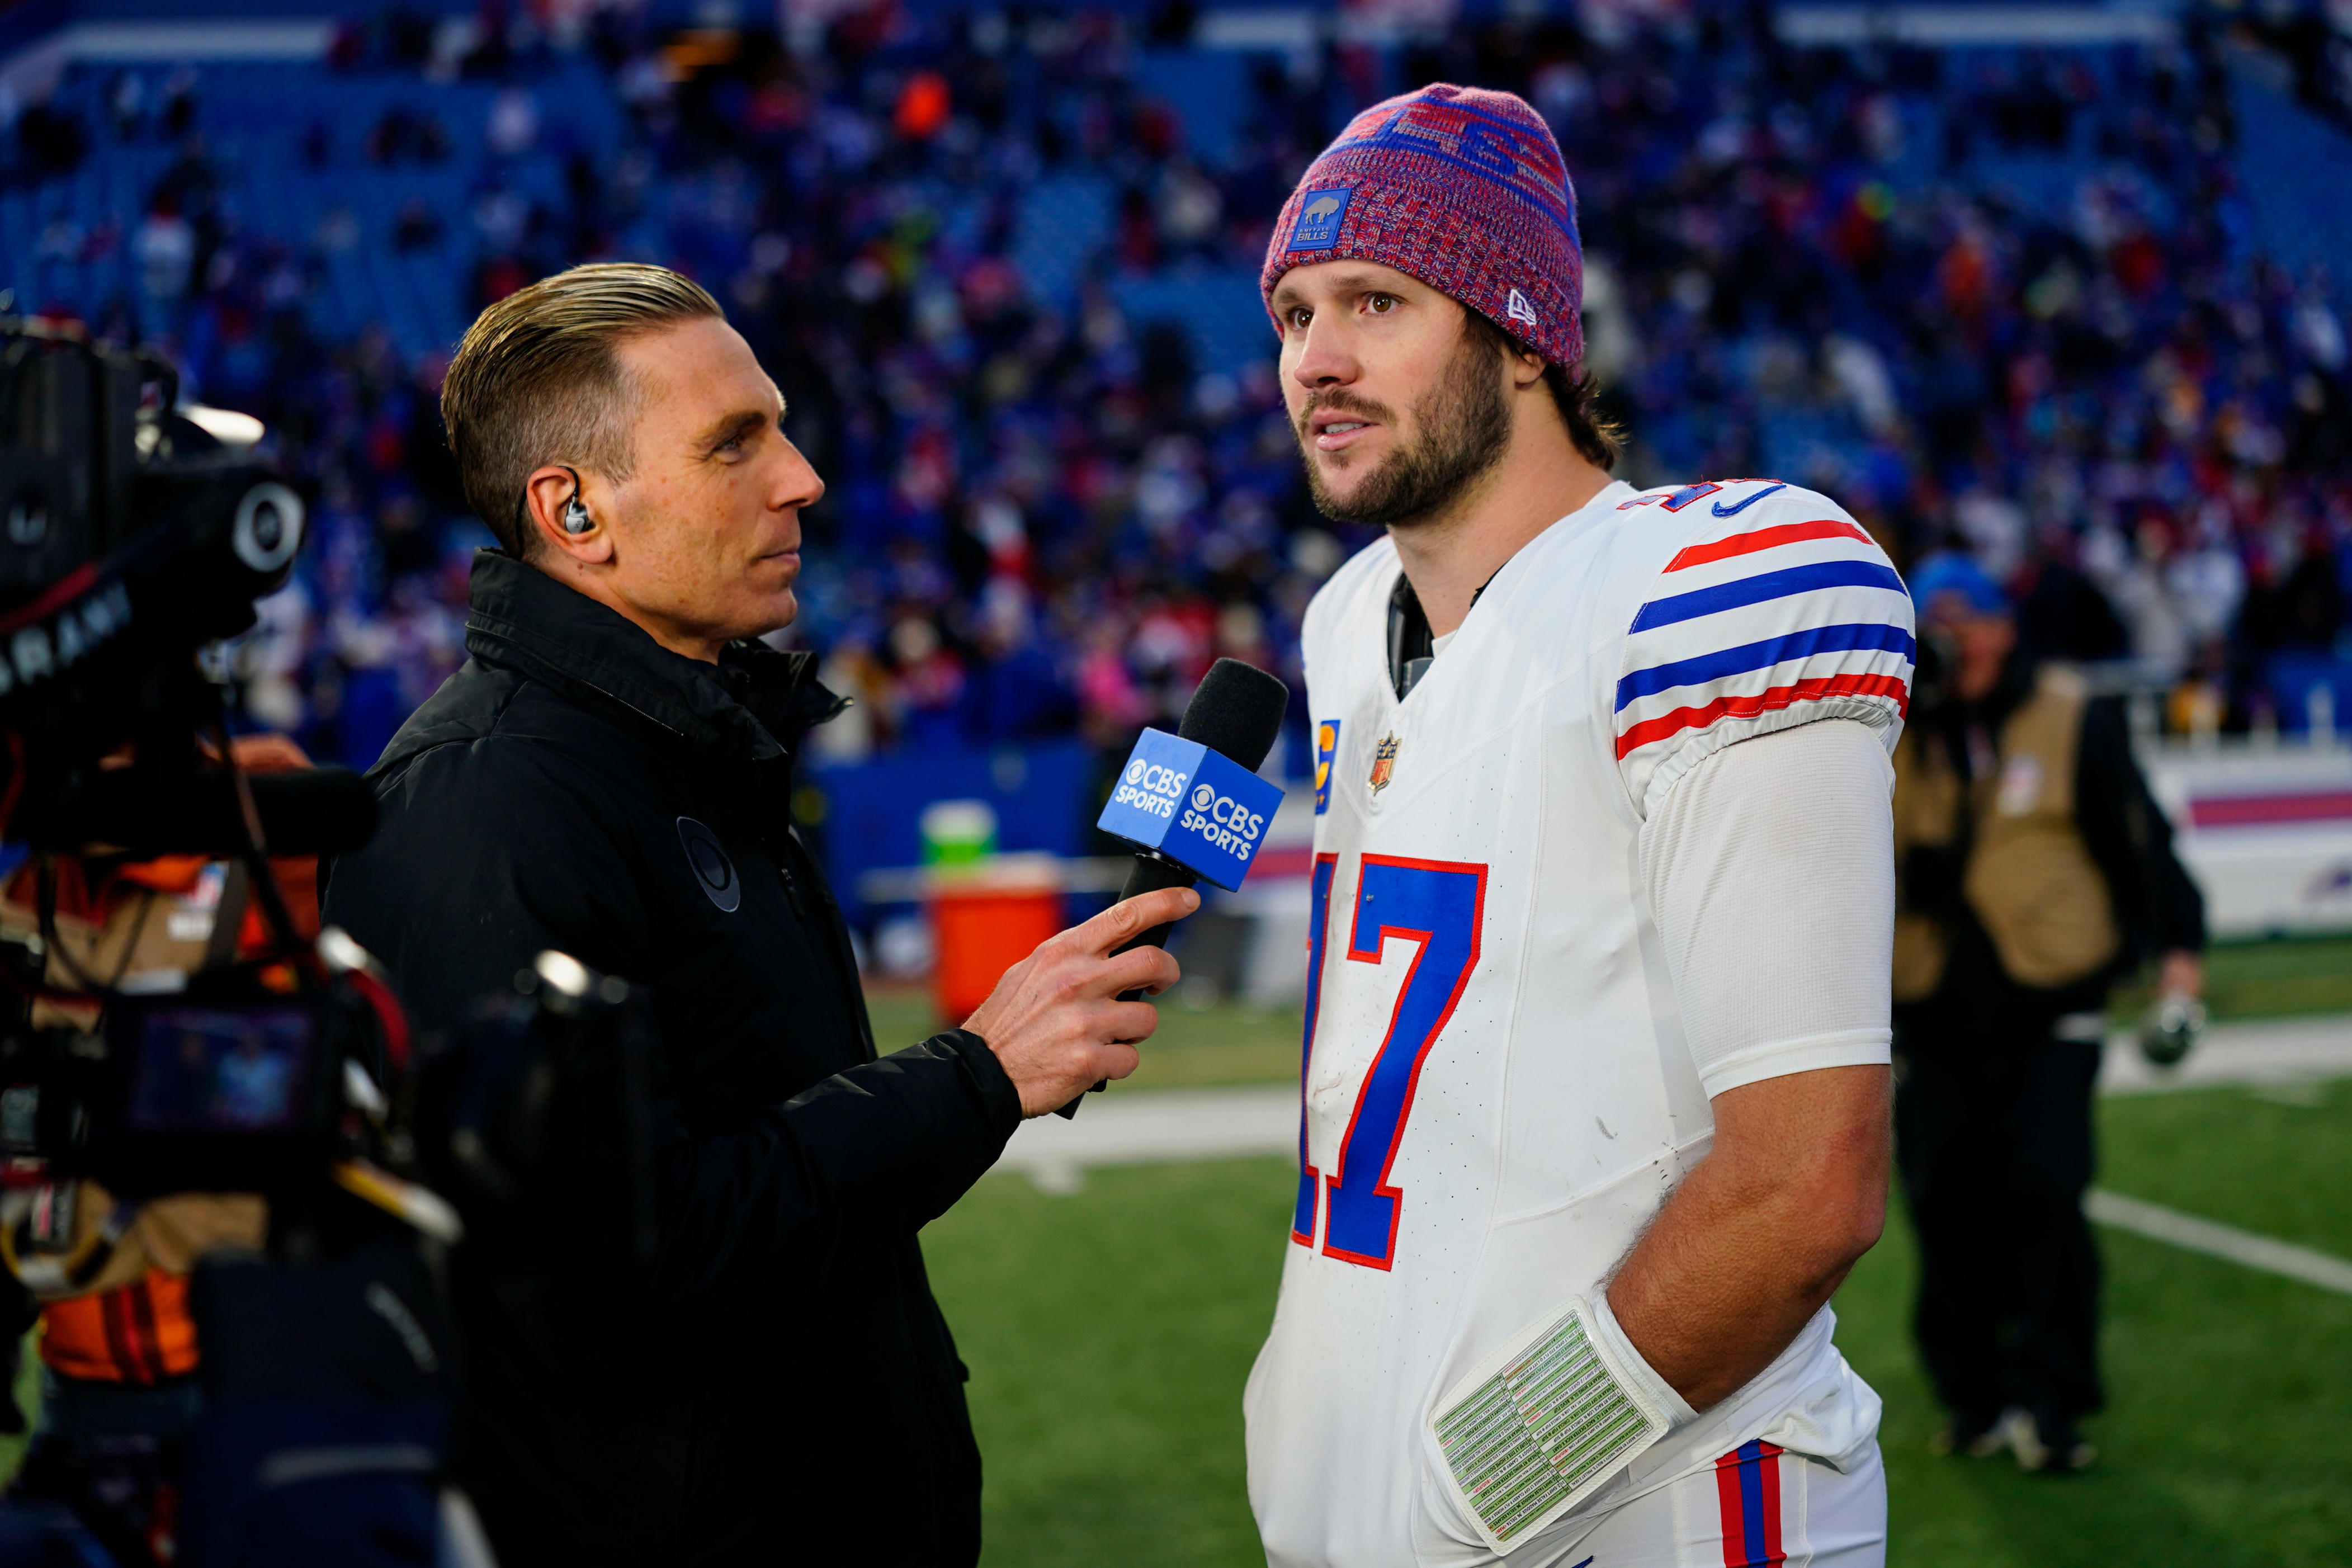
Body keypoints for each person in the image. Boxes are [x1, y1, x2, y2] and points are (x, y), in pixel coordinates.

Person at [318, 263, 1196, 1567]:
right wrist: (977, 1073)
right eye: (735, 442)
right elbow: (618, 1264)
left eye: (778, 426)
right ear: (574, 509)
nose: (802, 479)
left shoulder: (690, 749)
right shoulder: (486, 801)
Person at [1245, 86, 1911, 1567]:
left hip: (1656, 1512)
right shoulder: (1348, 621)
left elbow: (1802, 1184)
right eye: (1291, 314)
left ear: (1524, 331)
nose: (1316, 361)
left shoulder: (1710, 588)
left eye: (1374, 300)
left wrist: (1479, 1476)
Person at [1890, 551, 2205, 1473]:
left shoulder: (2069, 714)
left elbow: (2140, 850)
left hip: (2049, 1007)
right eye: (1935, 630)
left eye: (1969, 625)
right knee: (1944, 1205)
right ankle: (1974, 1398)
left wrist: (2176, 967)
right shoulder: (1890, 725)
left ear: (2004, 627)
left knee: (2044, 1196)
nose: (1956, 647)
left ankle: (2051, 1402)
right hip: (1933, 1014)